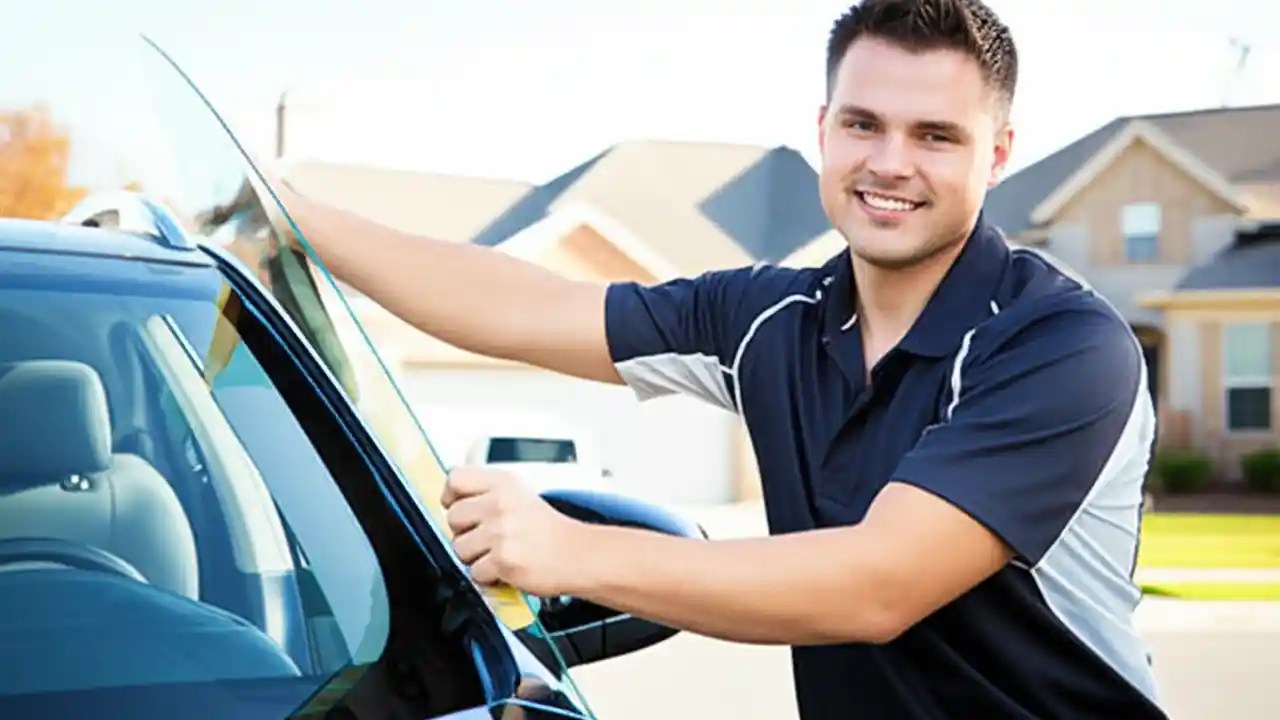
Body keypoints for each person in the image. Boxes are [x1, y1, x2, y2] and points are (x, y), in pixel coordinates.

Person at [275, 1, 1167, 717]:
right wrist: (283, 214)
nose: (890, 163)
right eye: (864, 124)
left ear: (998, 154)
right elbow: (531, 305)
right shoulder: (771, 318)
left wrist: (570, 553)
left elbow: (874, 587)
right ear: (824, 130)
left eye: (935, 135)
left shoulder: (1058, 346)